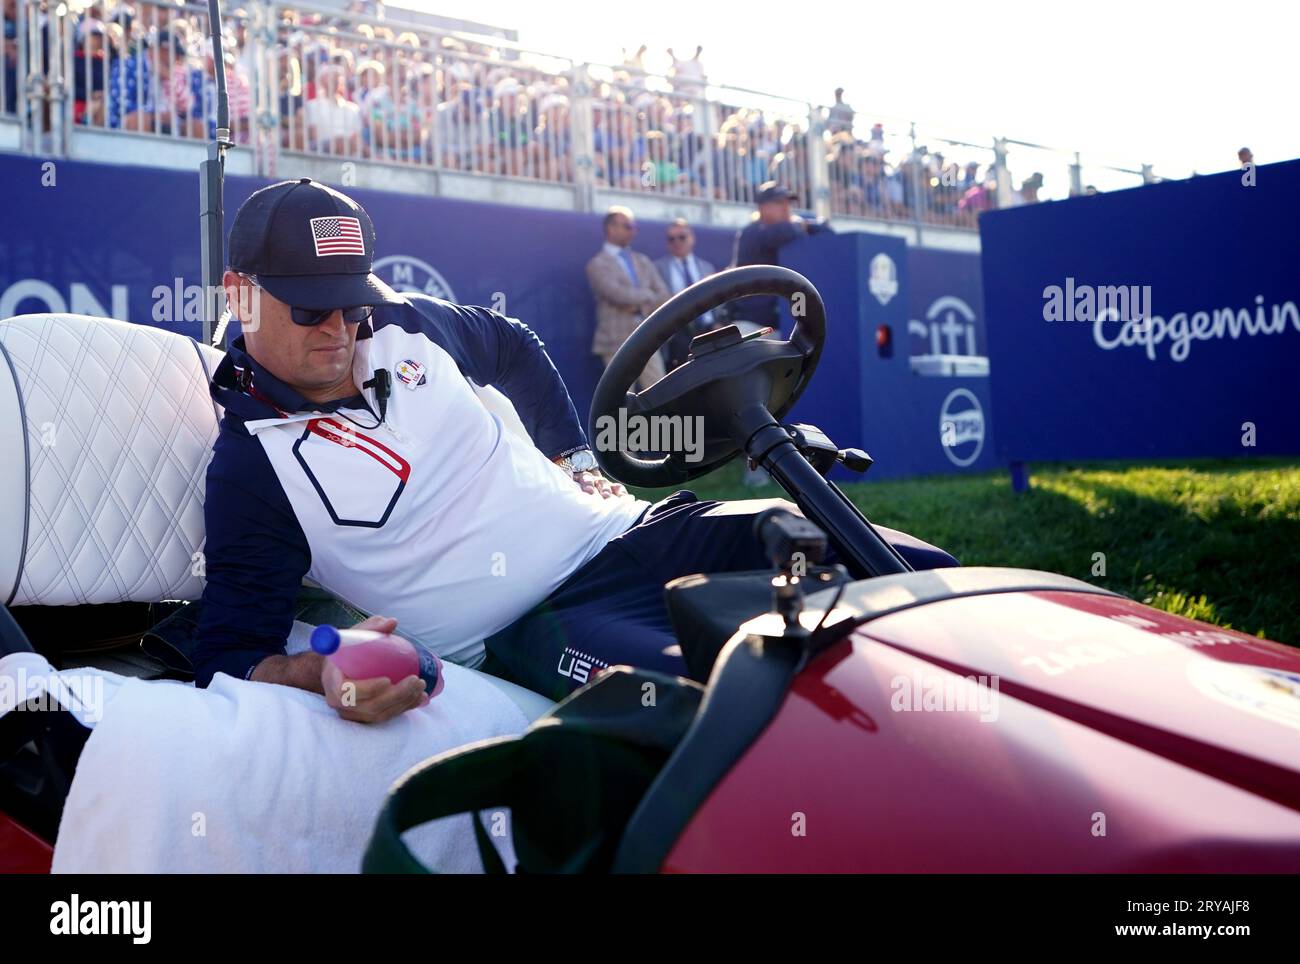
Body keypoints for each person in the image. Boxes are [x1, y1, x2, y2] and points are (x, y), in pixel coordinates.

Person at [196, 179, 957, 714]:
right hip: (535, 619)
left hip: (635, 532)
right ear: (238, 294)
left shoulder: (405, 323)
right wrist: (318, 671)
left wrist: (577, 459)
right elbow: (230, 652)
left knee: (916, 576)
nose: (340, 329)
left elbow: (516, 346)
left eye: (353, 302)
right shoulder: (251, 465)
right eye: (311, 309)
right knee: (722, 706)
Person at [585, 205, 671, 389]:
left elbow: (664, 295)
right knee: (620, 400)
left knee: (659, 393)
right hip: (615, 341)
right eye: (627, 226)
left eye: (634, 227)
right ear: (611, 228)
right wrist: (648, 297)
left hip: (646, 337)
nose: (633, 231)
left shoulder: (643, 261)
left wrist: (640, 305)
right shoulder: (597, 264)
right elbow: (617, 294)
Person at [730, 181, 832, 329]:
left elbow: (827, 231)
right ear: (762, 207)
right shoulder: (752, 232)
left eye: (788, 203)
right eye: (779, 202)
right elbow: (786, 232)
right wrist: (801, 224)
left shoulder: (791, 226)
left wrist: (805, 224)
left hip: (778, 324)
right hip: (750, 323)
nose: (786, 208)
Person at [654, 218, 718, 369]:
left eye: (682, 237)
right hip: (678, 332)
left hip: (709, 329)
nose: (677, 242)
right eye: (671, 239)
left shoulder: (706, 267)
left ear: (692, 238)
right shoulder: (658, 268)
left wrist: (718, 322)